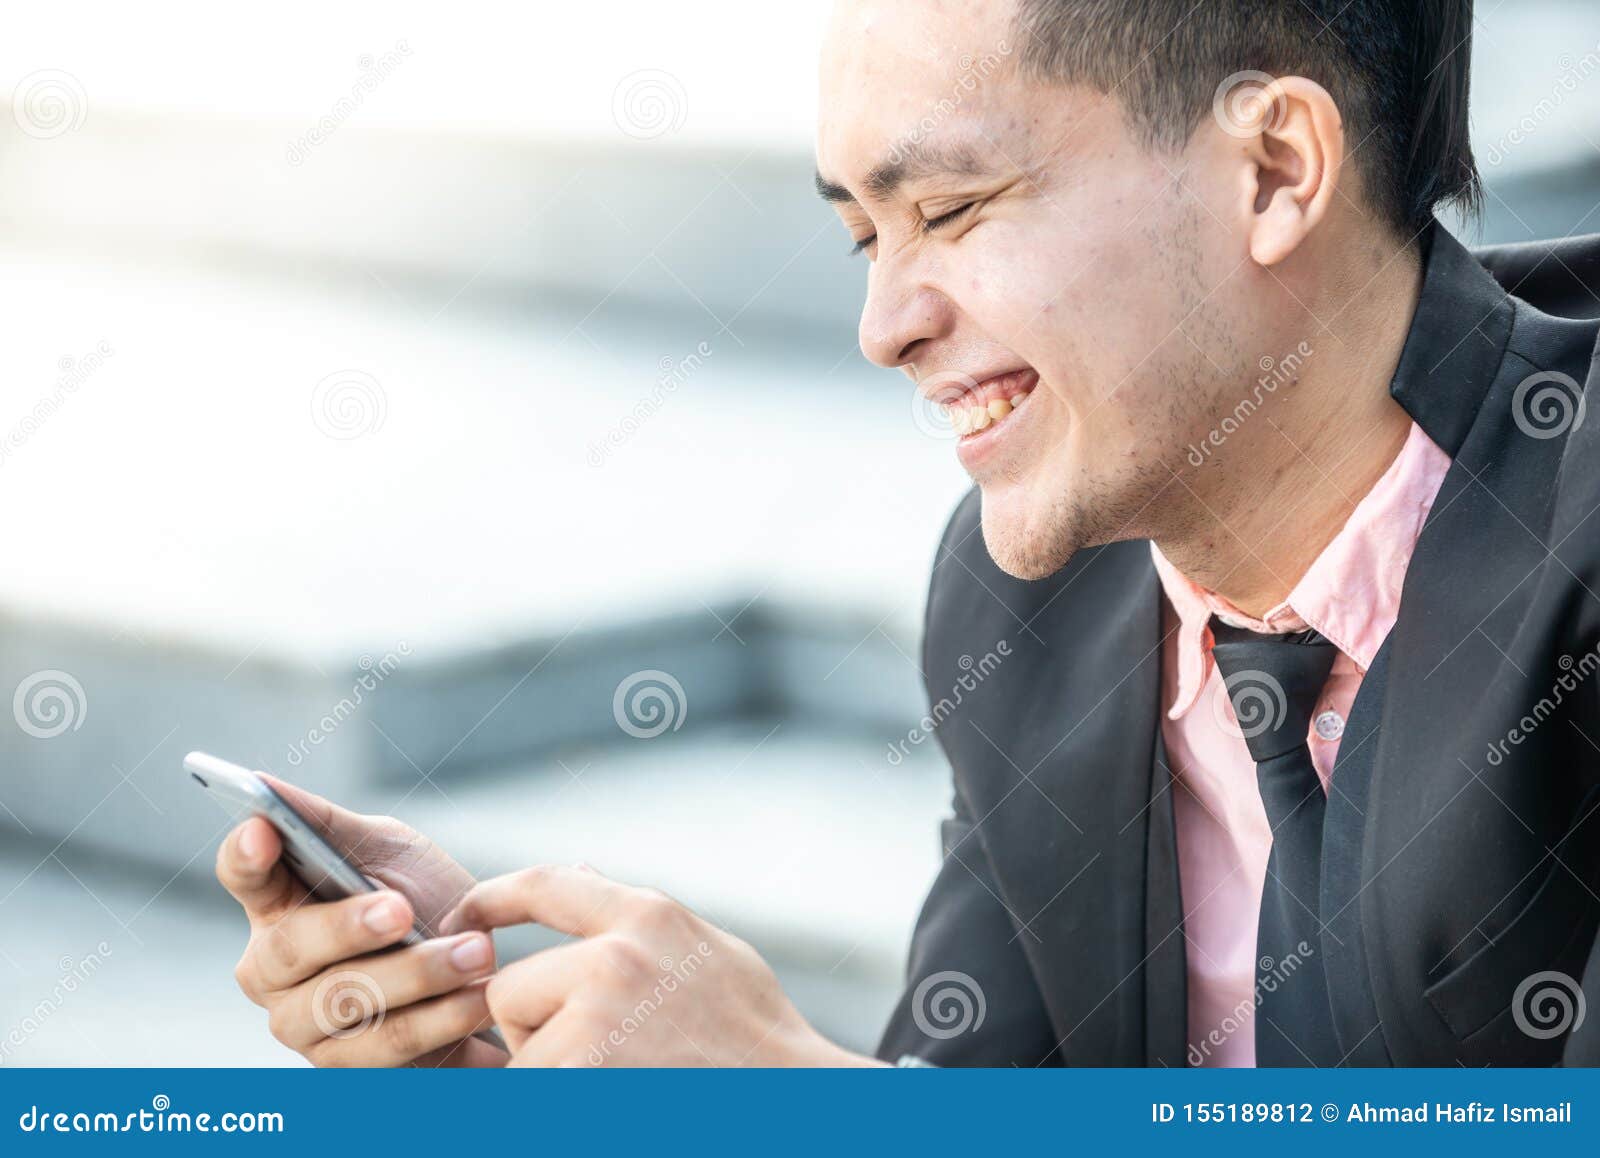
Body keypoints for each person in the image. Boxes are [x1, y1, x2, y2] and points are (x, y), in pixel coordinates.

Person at [217, 0, 1600, 1066]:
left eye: (948, 210)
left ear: (1276, 169)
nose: (887, 327)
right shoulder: (1031, 612)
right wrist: (512, 1041)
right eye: (864, 238)